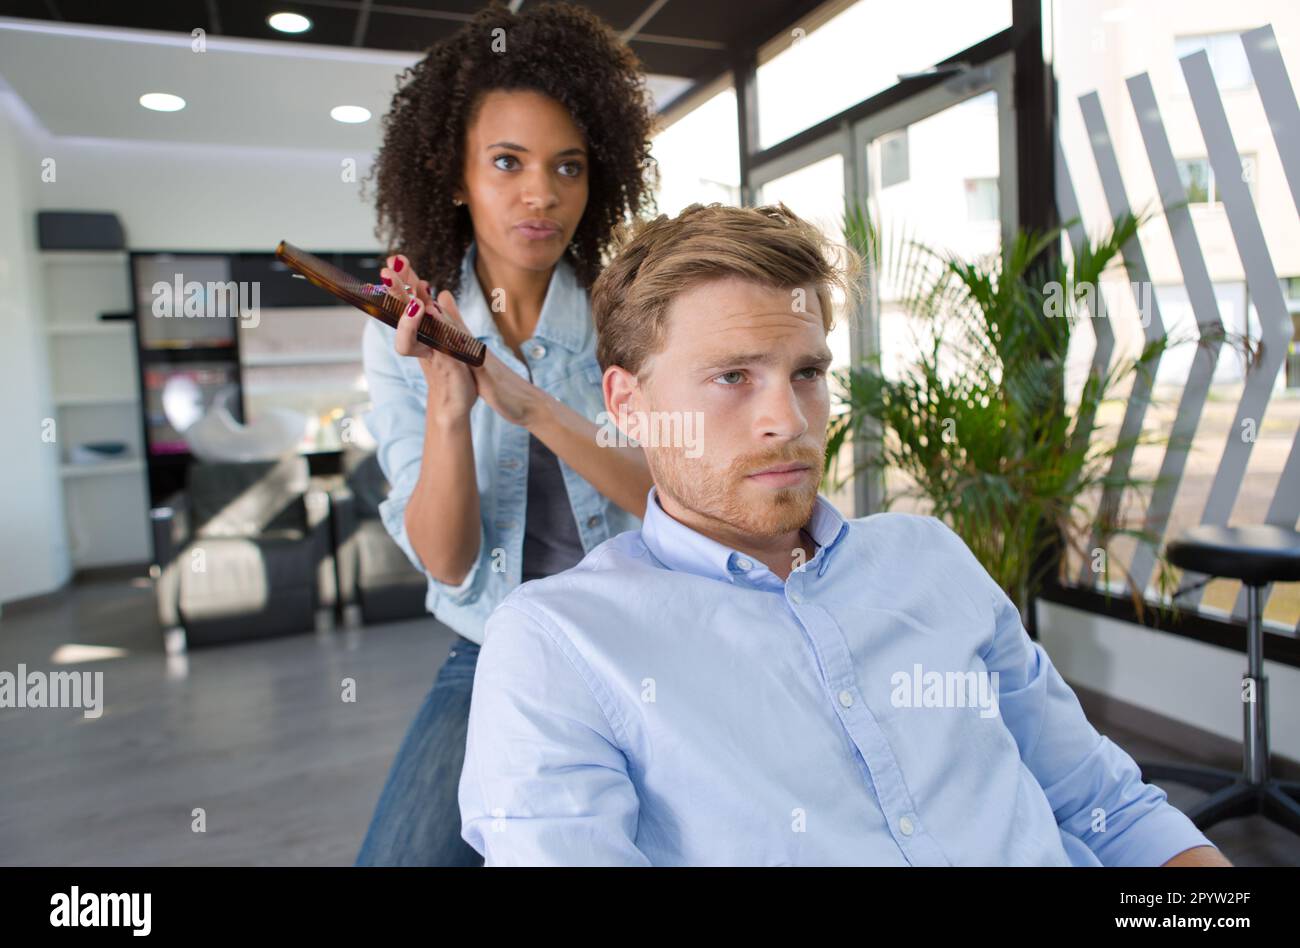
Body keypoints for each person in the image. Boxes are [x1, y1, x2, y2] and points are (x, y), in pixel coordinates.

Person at [457, 202, 1231, 866]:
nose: (789, 422)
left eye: (807, 374)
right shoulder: (559, 647)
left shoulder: (930, 560)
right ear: (627, 404)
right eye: (733, 377)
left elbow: (1111, 808)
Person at [354, 1, 657, 866]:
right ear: (455, 177)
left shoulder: (627, 314)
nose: (542, 194)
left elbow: (666, 498)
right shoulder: (397, 335)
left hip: (646, 633)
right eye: (507, 163)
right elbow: (448, 562)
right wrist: (450, 405)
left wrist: (529, 405)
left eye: (568, 166)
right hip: (498, 649)